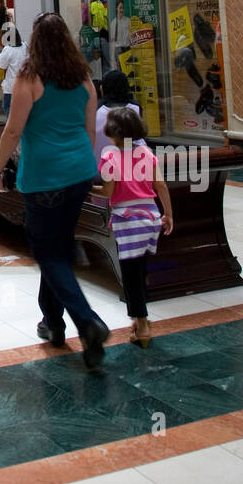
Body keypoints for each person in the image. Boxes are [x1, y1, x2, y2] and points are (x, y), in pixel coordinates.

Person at [0, 12, 110, 369]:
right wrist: (81, 167)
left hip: (43, 178)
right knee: (55, 248)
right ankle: (53, 324)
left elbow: (13, 131)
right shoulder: (85, 79)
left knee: (48, 254)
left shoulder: (30, 78)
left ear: (36, 41)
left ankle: (88, 323)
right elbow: (90, 132)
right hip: (78, 174)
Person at [94, 106, 173, 347]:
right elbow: (161, 186)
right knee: (140, 270)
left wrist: (83, 189)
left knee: (129, 276)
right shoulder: (147, 154)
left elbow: (107, 192)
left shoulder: (110, 157)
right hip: (150, 216)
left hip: (127, 220)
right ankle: (141, 320)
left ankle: (142, 323)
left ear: (112, 132)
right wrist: (168, 215)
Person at [94, 69, 143, 165]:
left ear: (103, 88)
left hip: (99, 168)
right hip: (130, 169)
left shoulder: (96, 109)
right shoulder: (135, 108)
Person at [0, 25, 27, 116]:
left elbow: (2, 66)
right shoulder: (25, 46)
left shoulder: (8, 49)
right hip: (25, 83)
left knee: (8, 107)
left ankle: (12, 127)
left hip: (11, 85)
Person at [109, 0, 131, 68]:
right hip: (118, 51)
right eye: (120, 8)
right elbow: (112, 42)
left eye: (123, 8)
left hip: (127, 50)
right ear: (116, 8)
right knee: (120, 73)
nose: (122, 10)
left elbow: (131, 37)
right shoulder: (113, 23)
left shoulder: (128, 21)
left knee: (128, 72)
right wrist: (112, 59)